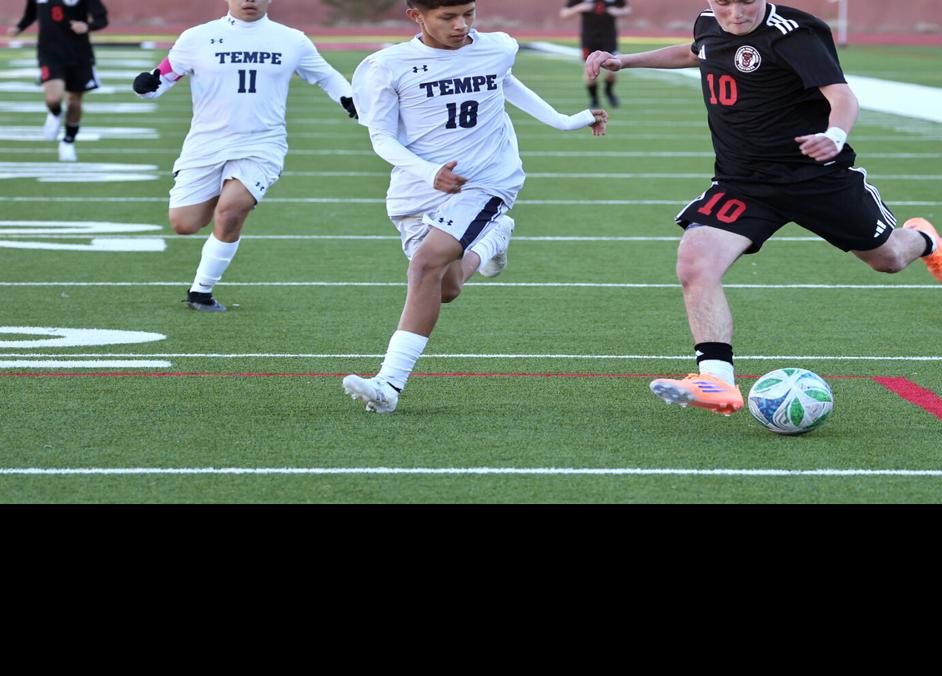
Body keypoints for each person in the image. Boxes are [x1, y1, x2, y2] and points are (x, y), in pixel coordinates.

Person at [588, 0, 942, 417]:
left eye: (745, 1)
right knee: (695, 262)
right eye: (723, 2)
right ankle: (717, 381)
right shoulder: (709, 23)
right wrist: (625, 61)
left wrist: (835, 135)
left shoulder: (796, 33)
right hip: (743, 182)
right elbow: (697, 51)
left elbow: (841, 93)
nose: (735, 13)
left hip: (817, 178)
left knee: (889, 259)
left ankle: (925, 239)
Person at [341, 0, 606, 414]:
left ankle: (389, 384)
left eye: (469, 14)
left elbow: (505, 82)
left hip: (486, 180)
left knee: (424, 265)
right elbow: (382, 138)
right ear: (416, 16)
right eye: (448, 17)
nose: (462, 25)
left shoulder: (498, 47)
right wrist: (428, 172)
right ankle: (492, 239)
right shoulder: (387, 66)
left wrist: (566, 120)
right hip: (420, 186)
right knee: (445, 288)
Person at [131, 0, 357, 313]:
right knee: (184, 223)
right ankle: (222, 191)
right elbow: (162, 78)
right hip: (206, 144)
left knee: (230, 211)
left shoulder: (292, 40)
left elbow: (327, 76)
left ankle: (201, 291)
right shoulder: (196, 37)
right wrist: (146, 86)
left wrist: (350, 99)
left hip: (262, 144)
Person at [8, 0, 107, 162]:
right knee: (53, 98)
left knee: (74, 101)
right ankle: (56, 113)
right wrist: (19, 27)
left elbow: (101, 18)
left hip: (78, 54)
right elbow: (31, 13)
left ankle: (68, 141)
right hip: (50, 54)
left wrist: (87, 26)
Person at [559, 0, 628, 108]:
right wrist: (580, 7)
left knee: (612, 72)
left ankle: (608, 91)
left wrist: (618, 12)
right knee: (590, 73)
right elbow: (564, 13)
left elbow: (626, 9)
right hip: (589, 40)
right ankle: (594, 99)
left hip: (609, 39)